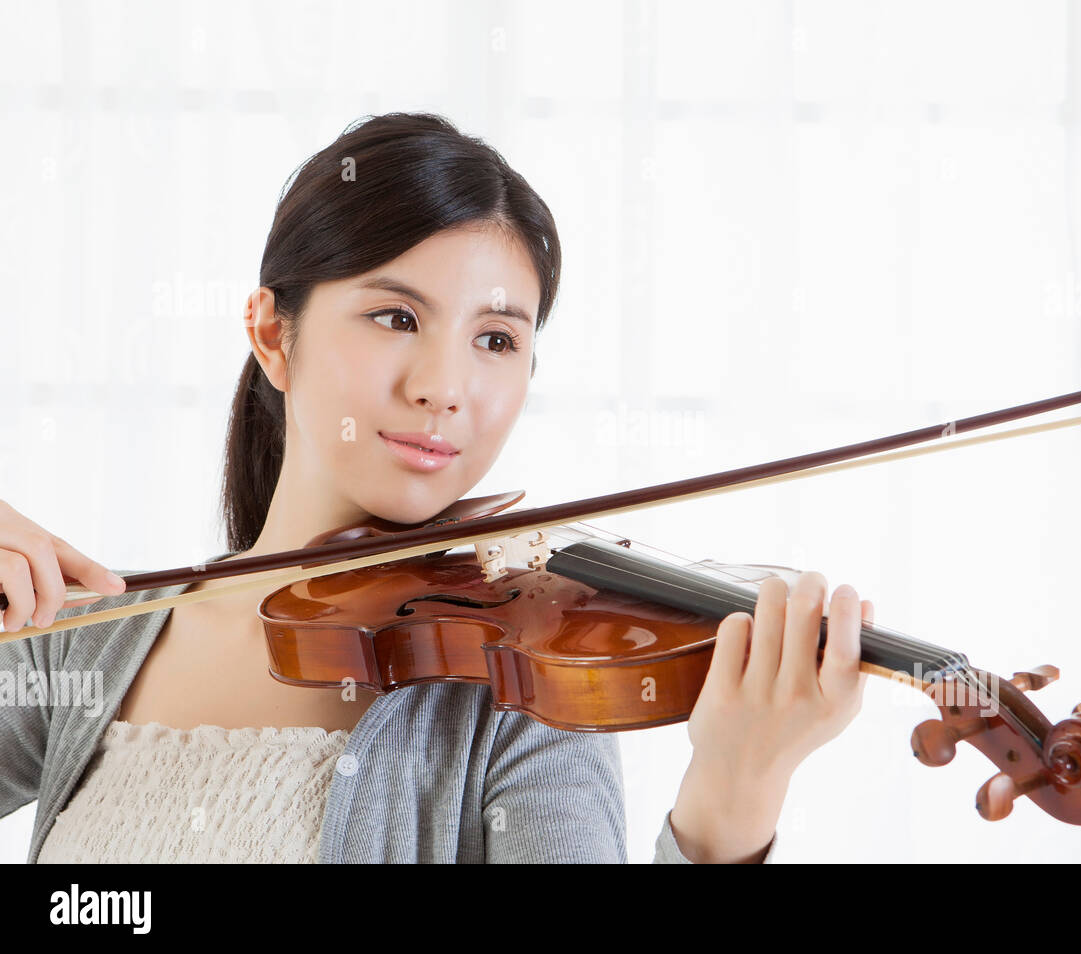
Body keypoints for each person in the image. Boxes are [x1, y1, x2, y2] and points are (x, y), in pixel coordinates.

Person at [0, 111, 871, 864]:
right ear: (272, 332)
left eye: (495, 339)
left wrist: (730, 804)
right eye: (396, 317)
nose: (444, 386)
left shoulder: (524, 696)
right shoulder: (82, 639)